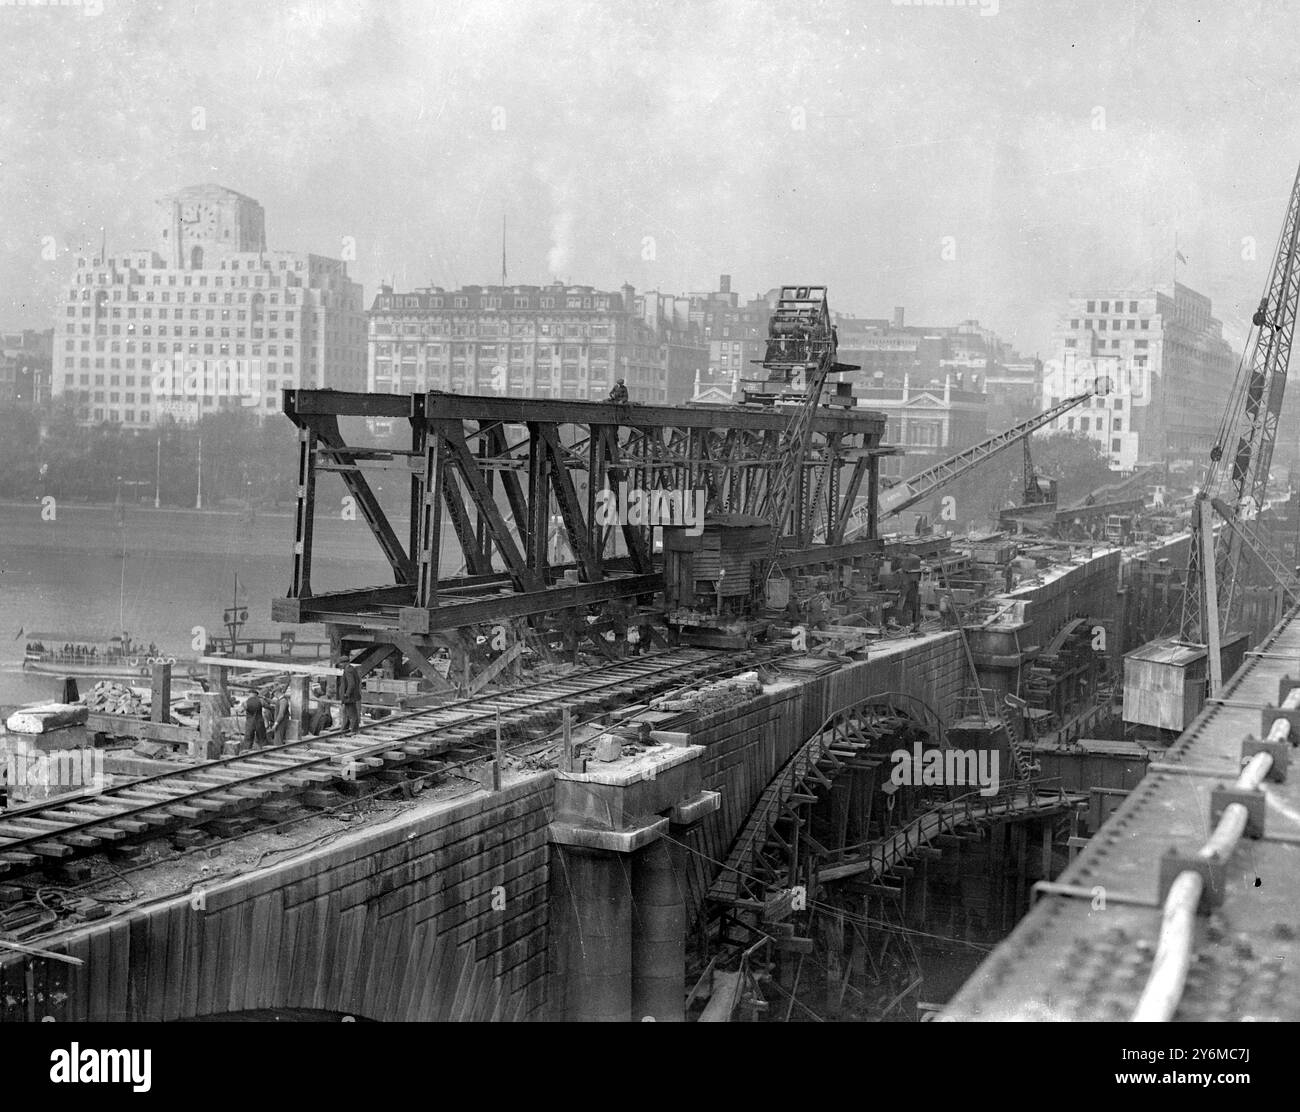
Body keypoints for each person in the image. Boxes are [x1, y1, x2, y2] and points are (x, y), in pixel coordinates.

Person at [339, 663, 362, 735]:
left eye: (341, 664)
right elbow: (357, 680)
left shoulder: (348, 670)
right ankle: (345, 727)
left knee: (352, 713)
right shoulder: (352, 668)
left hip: (349, 697)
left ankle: (354, 730)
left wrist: (347, 694)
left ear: (344, 663)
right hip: (352, 695)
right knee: (347, 711)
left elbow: (351, 683)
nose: (340, 665)